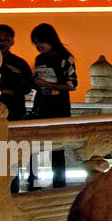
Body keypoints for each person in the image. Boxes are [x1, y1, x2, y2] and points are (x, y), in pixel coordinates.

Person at [30, 23, 76, 188]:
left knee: (57, 148)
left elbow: (72, 84)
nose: (38, 46)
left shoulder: (65, 58)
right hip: (42, 105)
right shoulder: (39, 59)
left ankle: (59, 183)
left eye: (40, 42)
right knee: (34, 145)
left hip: (59, 107)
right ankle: (33, 182)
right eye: (35, 43)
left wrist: (49, 84)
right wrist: (36, 82)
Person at [0, 24, 33, 122]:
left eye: (6, 40)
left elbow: (28, 87)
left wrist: (5, 92)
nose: (2, 43)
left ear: (12, 42)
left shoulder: (19, 63)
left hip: (14, 110)